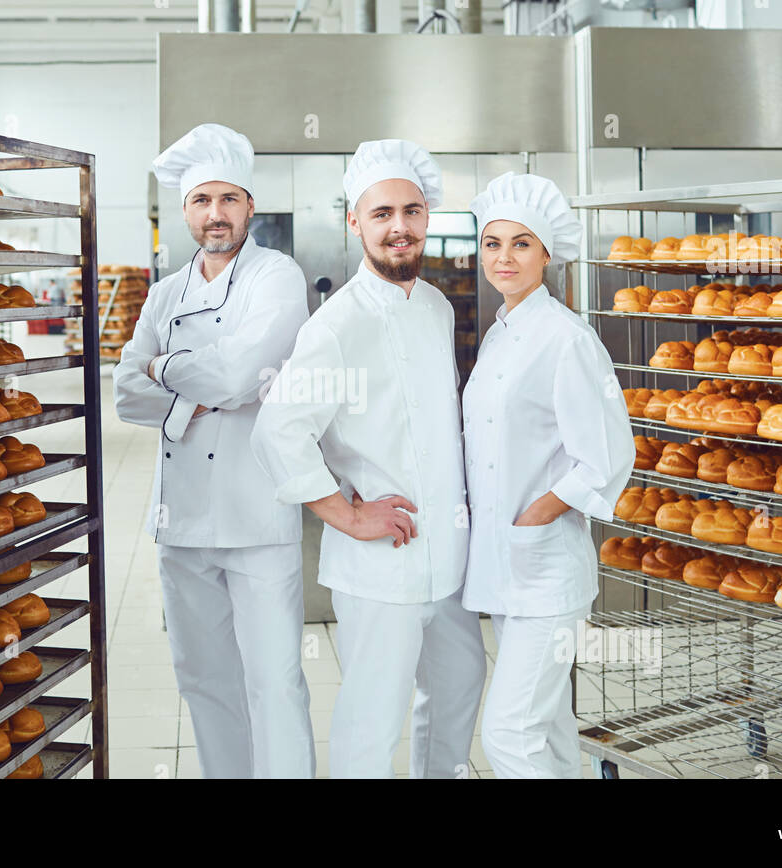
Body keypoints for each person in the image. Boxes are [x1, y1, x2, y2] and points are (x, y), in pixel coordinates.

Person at [250, 139, 486, 779]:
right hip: (382, 563)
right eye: (381, 214)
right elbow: (277, 433)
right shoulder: (337, 324)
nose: (399, 227)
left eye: (411, 211)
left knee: (461, 685)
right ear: (355, 222)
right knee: (372, 722)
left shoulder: (437, 307)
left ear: (428, 218)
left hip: (448, 555)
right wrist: (348, 517)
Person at [112, 123, 315, 778]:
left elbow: (238, 375)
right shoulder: (165, 292)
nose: (215, 213)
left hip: (257, 516)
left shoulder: (278, 276)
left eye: (229, 199)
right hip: (181, 520)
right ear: (185, 211)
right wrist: (199, 389)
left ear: (249, 206)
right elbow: (125, 394)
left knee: (275, 681)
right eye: (202, 201)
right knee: (202, 677)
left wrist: (168, 370)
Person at [462, 171, 635, 778]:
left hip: (542, 569)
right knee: (553, 728)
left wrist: (538, 512)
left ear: (546, 253)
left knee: (509, 732)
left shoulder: (566, 338)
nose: (503, 257)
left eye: (520, 243)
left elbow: (609, 455)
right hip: (506, 566)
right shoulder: (500, 333)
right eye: (492, 243)